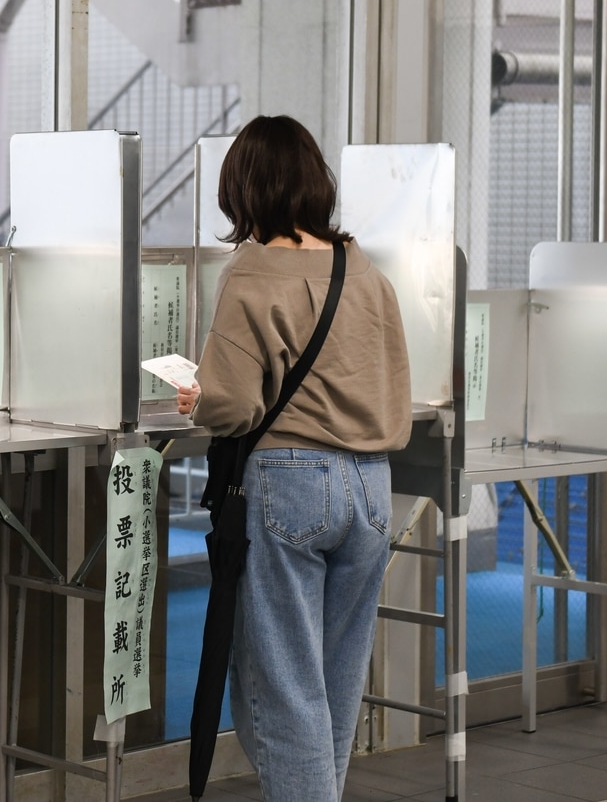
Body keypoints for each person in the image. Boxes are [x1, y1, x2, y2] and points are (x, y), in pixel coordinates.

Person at [176, 115, 411, 801]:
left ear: (243, 188)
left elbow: (232, 404)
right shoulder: (359, 267)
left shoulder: (253, 270)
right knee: (336, 688)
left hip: (290, 487)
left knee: (283, 693)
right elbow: (389, 375)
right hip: (371, 487)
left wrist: (199, 401)